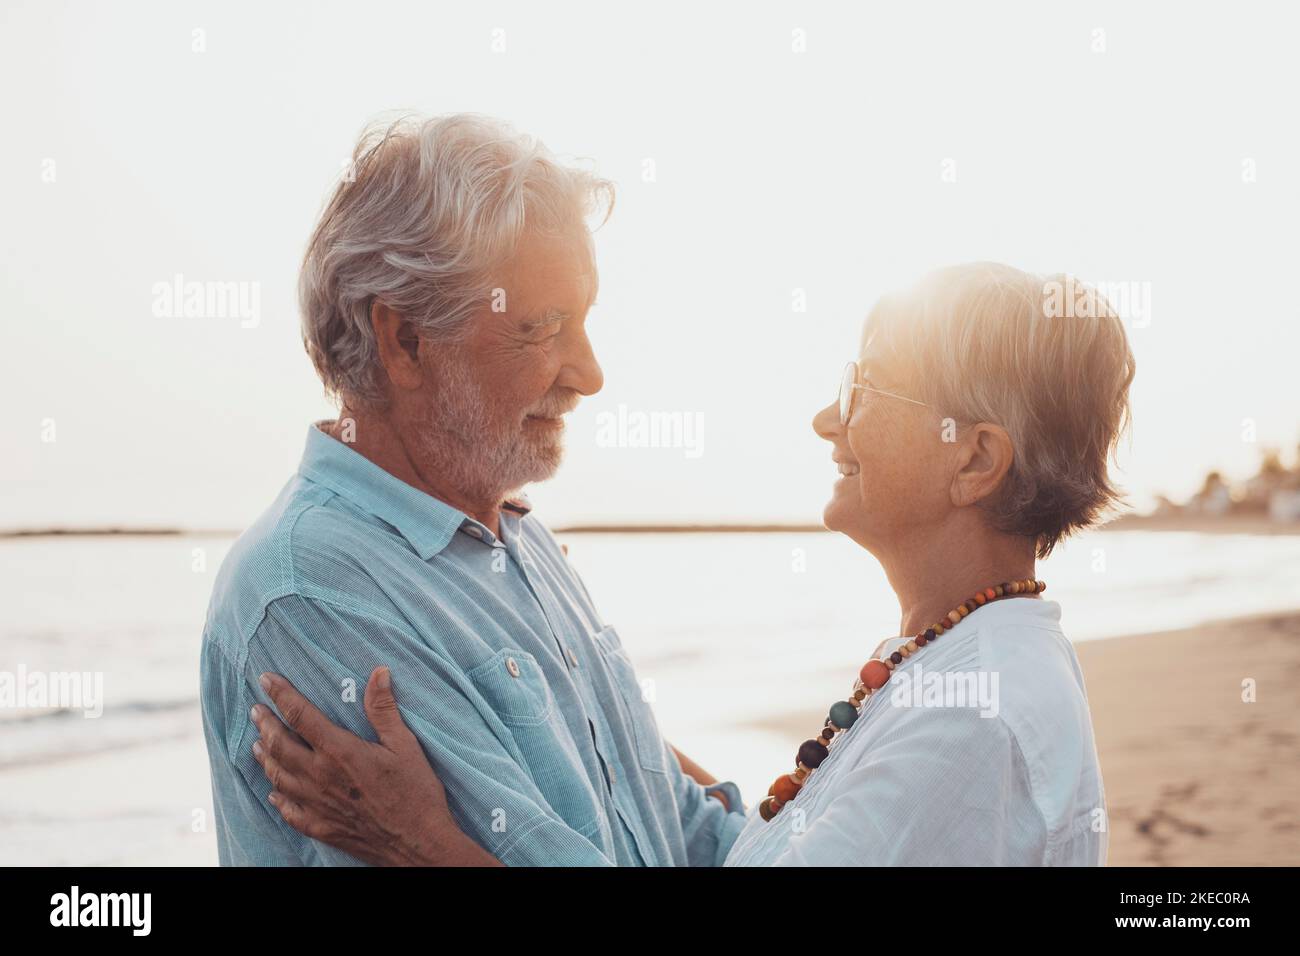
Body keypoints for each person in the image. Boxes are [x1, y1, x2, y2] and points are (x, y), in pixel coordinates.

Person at [249, 261, 1135, 866]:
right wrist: (579, 691)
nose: (828, 421)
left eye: (865, 389)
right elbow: (775, 842)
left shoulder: (975, 719)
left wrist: (424, 846)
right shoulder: (954, 660)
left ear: (975, 460)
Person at [200, 113, 745, 866]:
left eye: (583, 323)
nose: (590, 374)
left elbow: (683, 833)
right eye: (544, 328)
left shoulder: (521, 540)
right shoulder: (314, 589)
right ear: (405, 340)